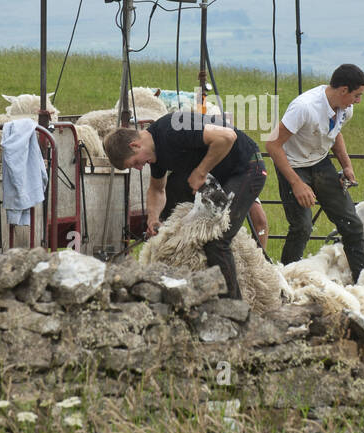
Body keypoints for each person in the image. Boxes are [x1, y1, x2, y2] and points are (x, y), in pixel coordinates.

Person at [102, 111, 267, 301]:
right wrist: (154, 219)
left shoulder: (172, 129)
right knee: (177, 191)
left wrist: (201, 171)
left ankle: (233, 307)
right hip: (222, 175)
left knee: (217, 239)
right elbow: (157, 189)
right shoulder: (156, 154)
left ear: (135, 145)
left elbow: (227, 137)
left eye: (135, 163)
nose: (140, 168)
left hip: (247, 168)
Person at [265, 64, 364, 280]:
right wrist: (296, 183)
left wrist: (346, 165)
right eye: (357, 95)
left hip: (320, 162)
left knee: (353, 224)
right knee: (302, 226)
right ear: (343, 90)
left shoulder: (346, 108)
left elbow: (335, 133)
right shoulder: (304, 107)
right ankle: (286, 282)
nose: (358, 101)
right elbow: (272, 145)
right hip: (293, 164)